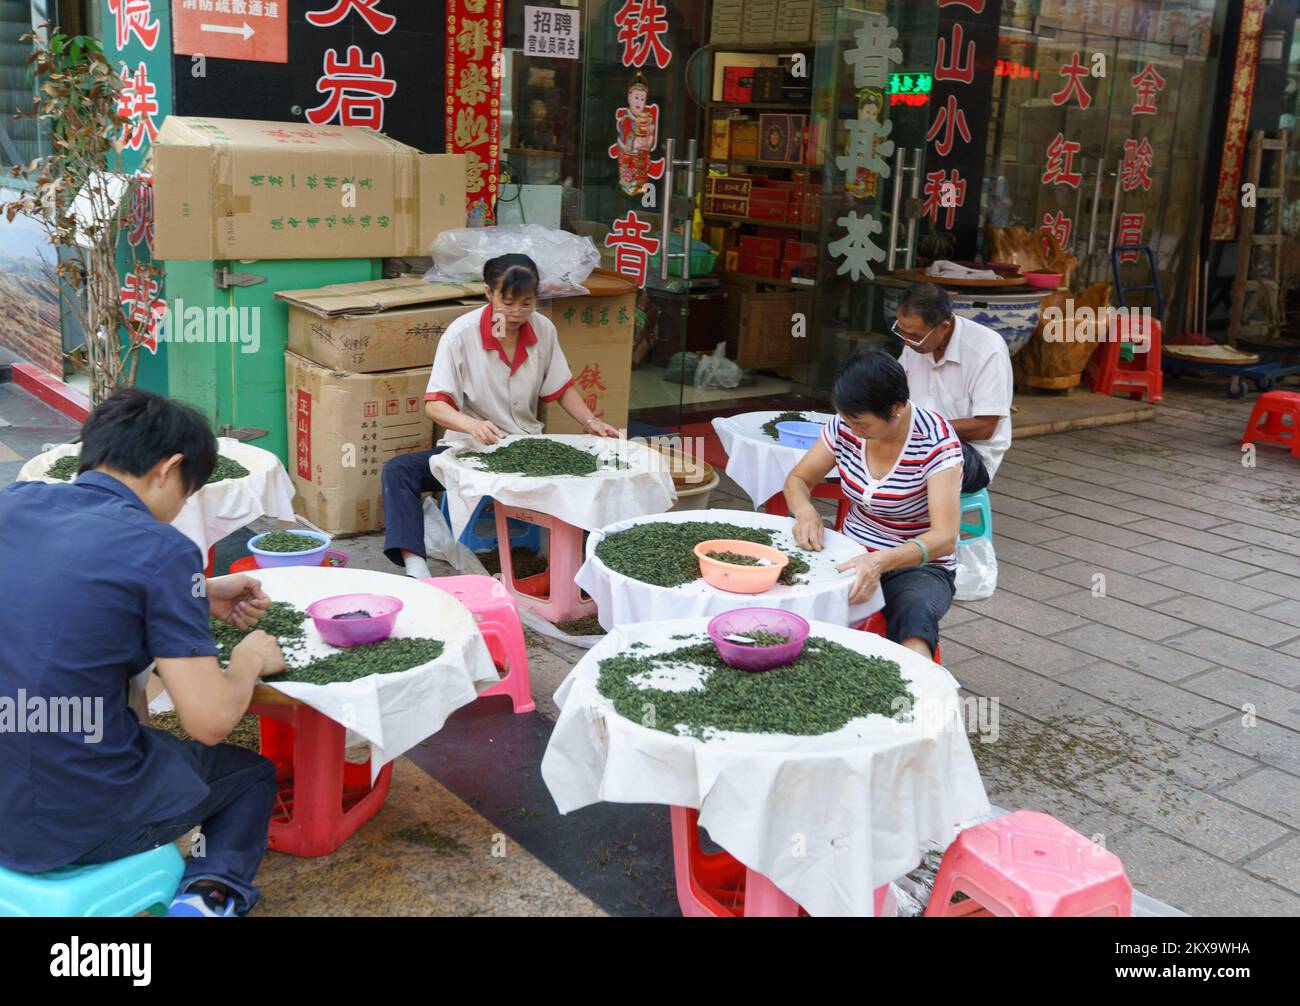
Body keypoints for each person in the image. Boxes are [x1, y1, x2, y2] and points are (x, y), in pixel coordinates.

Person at [0, 389, 287, 917]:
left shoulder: (11, 504)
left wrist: (198, 589)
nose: (182, 507)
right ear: (169, 468)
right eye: (189, 490)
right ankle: (211, 892)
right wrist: (248, 658)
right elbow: (209, 721)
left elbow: (71, 592)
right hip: (73, 818)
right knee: (249, 775)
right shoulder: (161, 550)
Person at [382, 253, 620, 578]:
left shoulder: (544, 330)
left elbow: (561, 388)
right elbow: (435, 405)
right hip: (469, 451)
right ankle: (416, 565)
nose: (517, 313)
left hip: (528, 449)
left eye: (527, 303)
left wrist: (591, 422)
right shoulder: (460, 335)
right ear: (488, 293)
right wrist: (473, 425)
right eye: (508, 302)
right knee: (398, 472)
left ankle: (590, 564)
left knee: (607, 463)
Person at [785, 350, 961, 661]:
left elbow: (945, 537)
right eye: (847, 420)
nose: (853, 431)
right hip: (851, 551)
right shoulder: (845, 426)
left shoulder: (935, 442)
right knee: (796, 591)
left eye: (862, 424)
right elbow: (798, 479)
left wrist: (880, 562)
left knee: (914, 613)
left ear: (896, 408)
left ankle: (917, 689)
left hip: (918, 565)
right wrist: (806, 512)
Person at [893, 281, 1013, 493]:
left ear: (944, 327)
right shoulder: (914, 346)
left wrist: (919, 431)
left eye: (915, 337)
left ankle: (908, 524)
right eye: (902, 332)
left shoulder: (987, 349)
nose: (907, 343)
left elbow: (986, 427)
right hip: (916, 442)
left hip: (970, 453)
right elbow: (895, 393)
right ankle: (861, 519)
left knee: (904, 465)